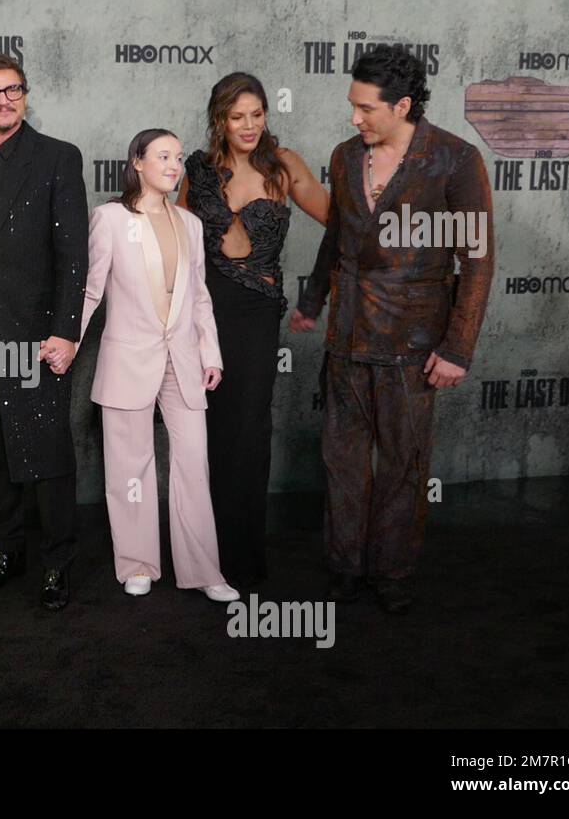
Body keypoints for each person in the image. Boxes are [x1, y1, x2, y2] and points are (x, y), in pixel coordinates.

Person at [290, 45, 495, 614]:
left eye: (365, 108)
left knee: (403, 467)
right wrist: (312, 300)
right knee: (342, 463)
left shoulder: (454, 159)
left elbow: (476, 260)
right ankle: (344, 569)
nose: (355, 118)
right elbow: (337, 237)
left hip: (414, 344)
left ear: (403, 105)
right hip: (347, 336)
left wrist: (457, 349)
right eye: (352, 107)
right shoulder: (342, 155)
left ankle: (394, 574)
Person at [0, 54, 89, 611]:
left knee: (47, 453)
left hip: (35, 332)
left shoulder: (57, 157)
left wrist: (66, 331)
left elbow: (73, 253)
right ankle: (6, 549)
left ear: (25, 96)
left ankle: (58, 562)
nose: (2, 101)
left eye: (12, 91)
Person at [177, 72, 329, 587]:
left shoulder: (284, 166)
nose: (248, 125)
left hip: (257, 311)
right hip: (203, 310)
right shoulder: (197, 172)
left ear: (267, 114)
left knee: (247, 429)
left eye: (257, 114)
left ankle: (241, 557)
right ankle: (202, 556)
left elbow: (345, 220)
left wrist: (319, 292)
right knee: (207, 429)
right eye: (236, 116)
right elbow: (172, 240)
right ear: (219, 118)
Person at [79, 129, 238, 601]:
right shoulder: (109, 218)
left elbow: (200, 298)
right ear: (138, 163)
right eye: (162, 156)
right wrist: (67, 341)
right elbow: (90, 289)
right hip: (128, 358)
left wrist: (211, 354)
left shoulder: (189, 223)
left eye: (178, 157)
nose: (173, 165)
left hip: (184, 358)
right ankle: (137, 563)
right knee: (130, 466)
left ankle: (205, 570)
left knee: (193, 463)